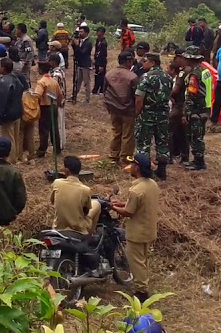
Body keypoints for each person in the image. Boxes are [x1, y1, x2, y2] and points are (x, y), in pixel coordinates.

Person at [111, 152, 160, 298]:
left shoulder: (136, 190)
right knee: (143, 260)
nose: (130, 167)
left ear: (137, 168)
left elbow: (128, 212)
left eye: (132, 165)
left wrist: (112, 206)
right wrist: (119, 203)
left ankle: (141, 291)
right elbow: (140, 205)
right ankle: (143, 284)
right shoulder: (152, 185)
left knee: (136, 263)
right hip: (149, 230)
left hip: (136, 233)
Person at [133, 53, 172, 180]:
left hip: (147, 115)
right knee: (162, 142)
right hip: (163, 115)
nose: (143, 64)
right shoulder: (168, 76)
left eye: (145, 61)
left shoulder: (146, 77)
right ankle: (162, 171)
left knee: (143, 143)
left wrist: (137, 113)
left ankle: (144, 173)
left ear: (152, 63)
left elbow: (139, 98)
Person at [174, 46, 211, 171]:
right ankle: (198, 160)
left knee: (195, 137)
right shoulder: (205, 71)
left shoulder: (194, 75)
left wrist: (185, 113)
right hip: (205, 108)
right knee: (199, 136)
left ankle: (198, 162)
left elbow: (191, 96)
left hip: (196, 110)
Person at [103, 52, 139, 163]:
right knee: (127, 135)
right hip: (128, 110)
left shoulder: (109, 74)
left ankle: (114, 155)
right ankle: (126, 158)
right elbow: (136, 94)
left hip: (113, 108)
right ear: (128, 61)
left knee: (116, 132)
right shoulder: (132, 76)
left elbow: (105, 91)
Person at [50, 156, 99, 234]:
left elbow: (52, 201)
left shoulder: (57, 183)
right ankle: (91, 234)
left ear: (66, 170)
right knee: (97, 204)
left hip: (58, 228)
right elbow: (86, 211)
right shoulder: (85, 189)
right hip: (78, 229)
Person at [0, 57, 24, 163]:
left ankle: (11, 159)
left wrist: (0, 115)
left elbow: (2, 101)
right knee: (15, 136)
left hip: (8, 114)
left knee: (9, 138)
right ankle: (17, 156)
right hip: (17, 112)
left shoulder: (3, 81)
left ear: (3, 68)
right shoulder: (16, 78)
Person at [71, 26, 93, 104]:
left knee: (86, 82)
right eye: (79, 32)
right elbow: (77, 52)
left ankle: (87, 99)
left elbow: (83, 53)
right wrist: (74, 45)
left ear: (86, 33)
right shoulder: (81, 41)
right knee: (77, 81)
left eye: (81, 32)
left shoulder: (88, 42)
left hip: (85, 64)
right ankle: (74, 96)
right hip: (80, 63)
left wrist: (77, 45)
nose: (80, 33)